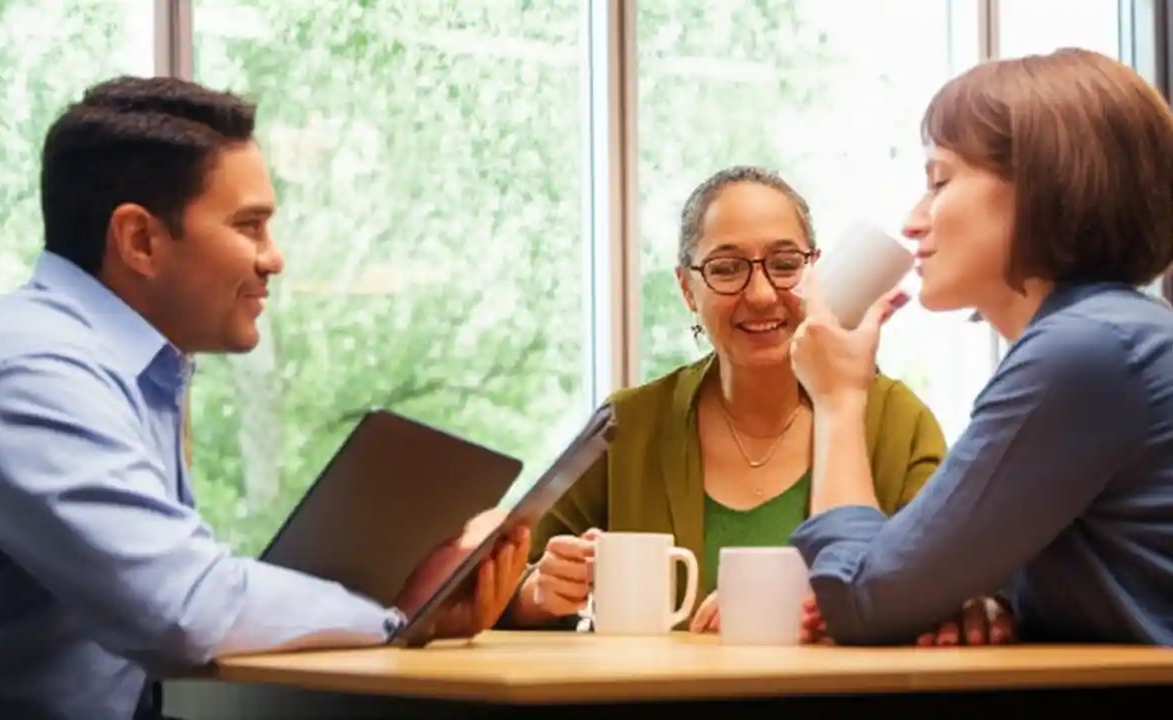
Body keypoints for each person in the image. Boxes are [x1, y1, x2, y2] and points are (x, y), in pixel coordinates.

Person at [0, 76, 530, 720]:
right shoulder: (28, 372)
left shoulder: (111, 364)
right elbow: (184, 608)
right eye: (249, 227)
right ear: (139, 240)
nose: (273, 259)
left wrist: (405, 607)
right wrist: (391, 617)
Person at [500, 166, 1011, 644]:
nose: (763, 294)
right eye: (726, 269)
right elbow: (501, 588)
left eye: (786, 264)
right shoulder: (628, 425)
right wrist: (541, 594)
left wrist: (801, 604)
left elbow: (945, 584)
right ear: (686, 288)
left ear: (815, 271)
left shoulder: (896, 419)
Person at [788, 48, 1173, 645]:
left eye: (940, 180)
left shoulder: (1086, 351)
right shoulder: (1117, 338)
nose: (914, 221)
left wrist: (838, 400)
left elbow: (862, 600)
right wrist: (983, 596)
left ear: (1045, 187)